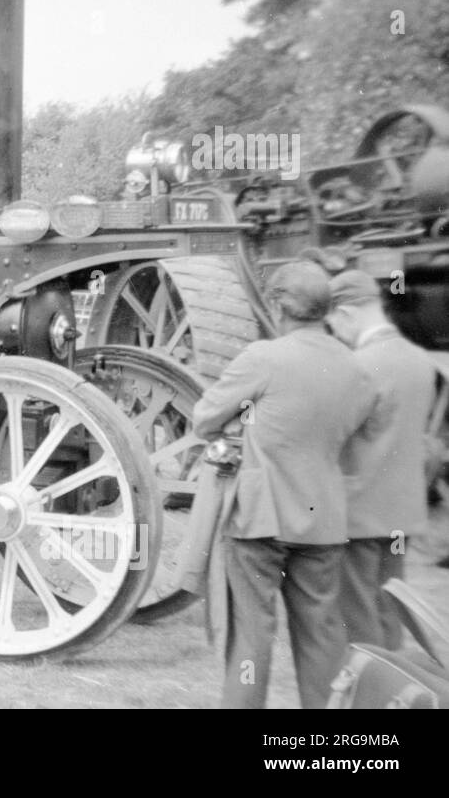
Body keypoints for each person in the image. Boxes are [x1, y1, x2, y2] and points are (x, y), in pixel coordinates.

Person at [192, 259, 376, 709]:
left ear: (277, 306)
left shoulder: (264, 358)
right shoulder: (357, 369)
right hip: (323, 520)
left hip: (260, 518)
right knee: (322, 638)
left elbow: (204, 420)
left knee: (251, 641)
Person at [327, 269, 438, 649]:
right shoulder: (421, 360)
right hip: (401, 514)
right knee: (390, 608)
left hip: (359, 516)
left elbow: (336, 437)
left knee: (357, 620)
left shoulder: (358, 365)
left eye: (334, 325)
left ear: (346, 313)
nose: (336, 334)